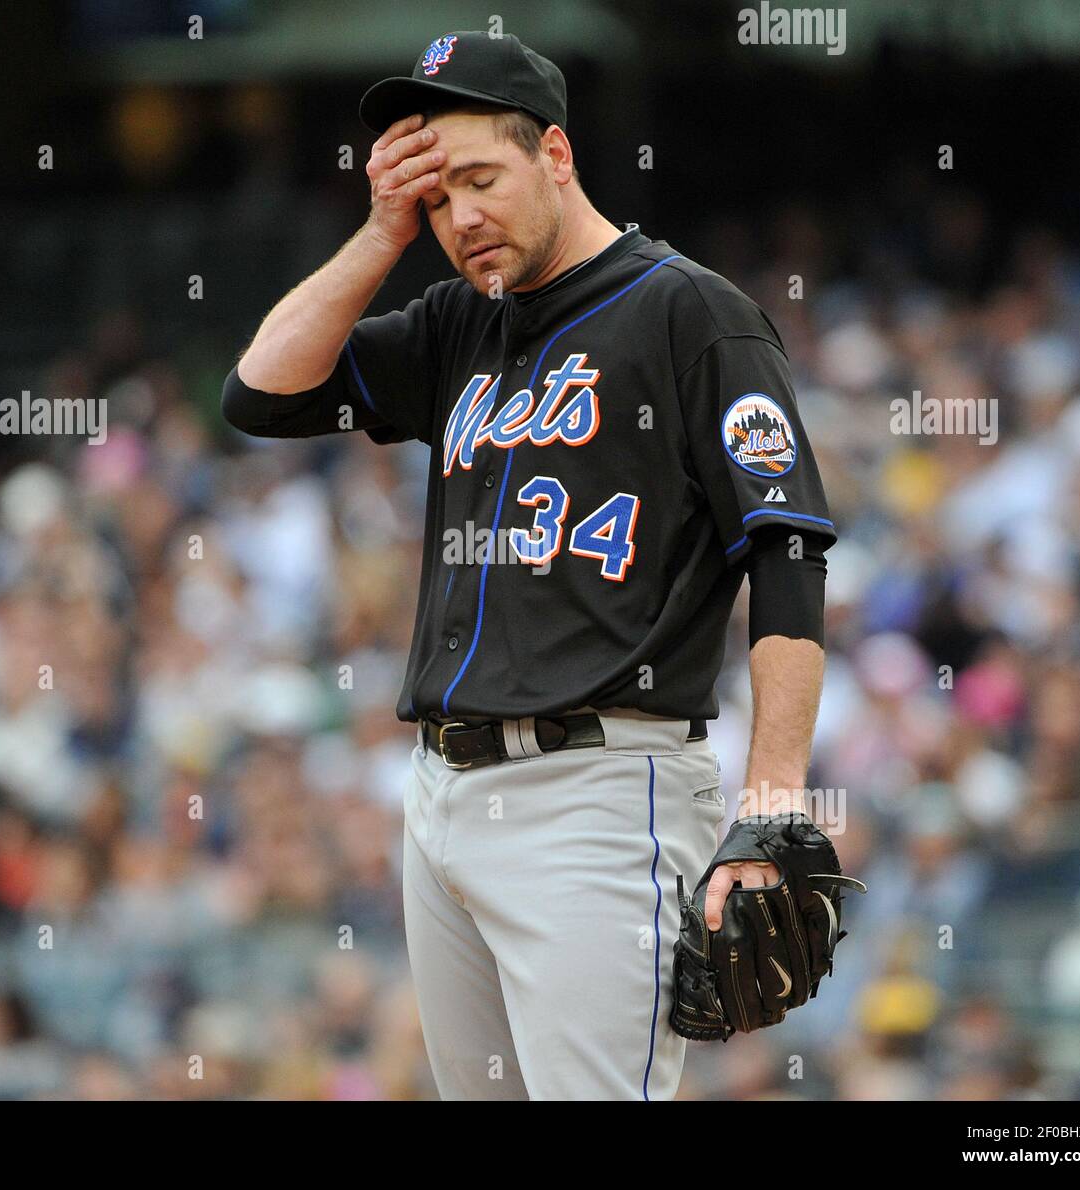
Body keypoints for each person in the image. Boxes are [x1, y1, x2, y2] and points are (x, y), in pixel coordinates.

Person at [222, 30, 845, 1100]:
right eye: (437, 197)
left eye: (480, 179)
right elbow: (261, 393)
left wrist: (771, 801)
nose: (459, 217)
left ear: (555, 154)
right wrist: (380, 232)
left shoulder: (690, 313)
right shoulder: (463, 321)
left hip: (599, 789)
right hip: (444, 793)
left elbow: (785, 552)